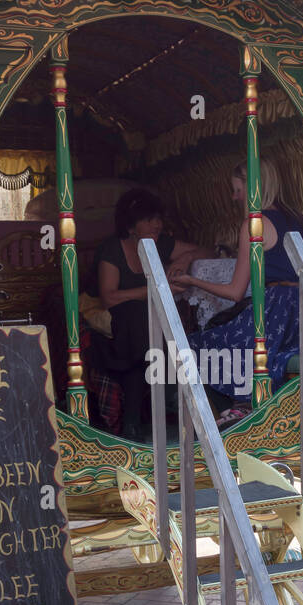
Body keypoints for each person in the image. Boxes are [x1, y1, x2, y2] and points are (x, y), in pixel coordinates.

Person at [171, 160, 303, 422]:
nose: (234, 197)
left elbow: (234, 292)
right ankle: (242, 402)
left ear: (252, 189)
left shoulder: (254, 224)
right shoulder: (302, 220)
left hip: (278, 312)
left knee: (194, 347)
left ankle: (236, 408)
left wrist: (191, 280)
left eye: (237, 190)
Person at [96, 188, 209, 441]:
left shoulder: (161, 243)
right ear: (131, 225)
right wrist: (158, 288)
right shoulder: (112, 249)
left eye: (158, 218)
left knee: (152, 323)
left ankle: (138, 420)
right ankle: (148, 412)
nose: (157, 224)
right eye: (149, 219)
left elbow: (207, 251)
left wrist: (187, 257)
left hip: (144, 326)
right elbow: (109, 297)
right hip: (120, 319)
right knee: (140, 320)